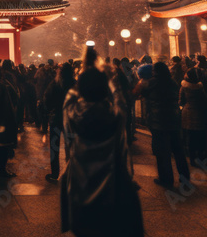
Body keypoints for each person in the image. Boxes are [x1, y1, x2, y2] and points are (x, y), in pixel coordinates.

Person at [60, 46, 143, 237]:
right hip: (112, 192)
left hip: (80, 191)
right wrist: (110, 81)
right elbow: (120, 101)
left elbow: (68, 102)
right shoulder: (115, 118)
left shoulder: (73, 118)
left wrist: (83, 76)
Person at [134, 62, 190, 187]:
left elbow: (137, 94)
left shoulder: (152, 83)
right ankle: (185, 177)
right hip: (174, 119)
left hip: (158, 121)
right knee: (178, 150)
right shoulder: (173, 82)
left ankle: (166, 178)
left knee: (162, 152)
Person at [44, 61, 75, 182]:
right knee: (71, 146)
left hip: (56, 118)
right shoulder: (75, 84)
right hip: (71, 118)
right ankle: (71, 171)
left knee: (54, 148)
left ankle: (54, 173)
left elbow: (47, 99)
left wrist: (49, 110)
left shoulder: (55, 84)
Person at [180, 67, 207, 163]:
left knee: (190, 136)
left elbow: (181, 101)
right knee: (200, 135)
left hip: (187, 113)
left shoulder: (184, 87)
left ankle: (192, 158)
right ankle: (201, 156)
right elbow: (205, 101)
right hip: (199, 112)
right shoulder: (199, 88)